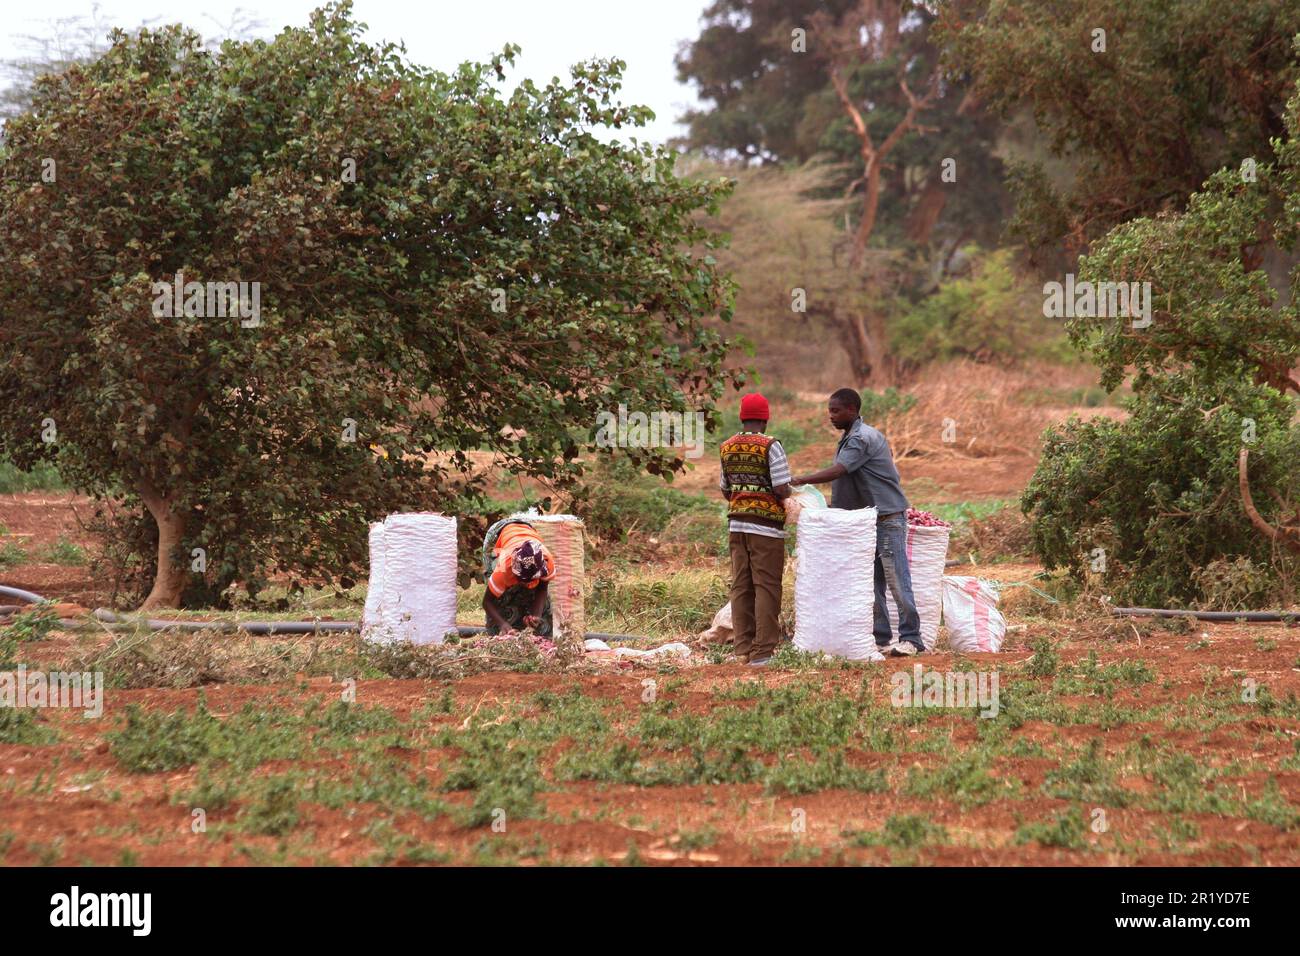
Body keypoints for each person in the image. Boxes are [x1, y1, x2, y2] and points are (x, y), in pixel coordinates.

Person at [792, 387, 922, 656]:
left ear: (852, 409)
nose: (830, 415)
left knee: (896, 579)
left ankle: (912, 638)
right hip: (867, 519)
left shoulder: (860, 438)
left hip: (887, 517)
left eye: (835, 410)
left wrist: (801, 479)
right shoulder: (851, 436)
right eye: (829, 410)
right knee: (871, 581)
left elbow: (839, 471)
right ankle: (882, 637)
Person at [719, 392, 793, 666]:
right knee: (767, 586)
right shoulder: (770, 445)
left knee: (741, 585)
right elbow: (781, 487)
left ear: (741, 417)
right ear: (765, 419)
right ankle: (762, 652)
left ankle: (743, 647)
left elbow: (725, 489)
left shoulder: (727, 446)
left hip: (737, 525)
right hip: (766, 528)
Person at [481, 517, 556, 636]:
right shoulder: (503, 569)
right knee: (502, 599)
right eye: (522, 580)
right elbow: (487, 602)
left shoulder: (547, 561)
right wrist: (503, 624)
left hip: (526, 529)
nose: (527, 584)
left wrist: (535, 616)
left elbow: (542, 588)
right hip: (497, 535)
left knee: (539, 605)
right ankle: (499, 631)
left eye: (532, 579)